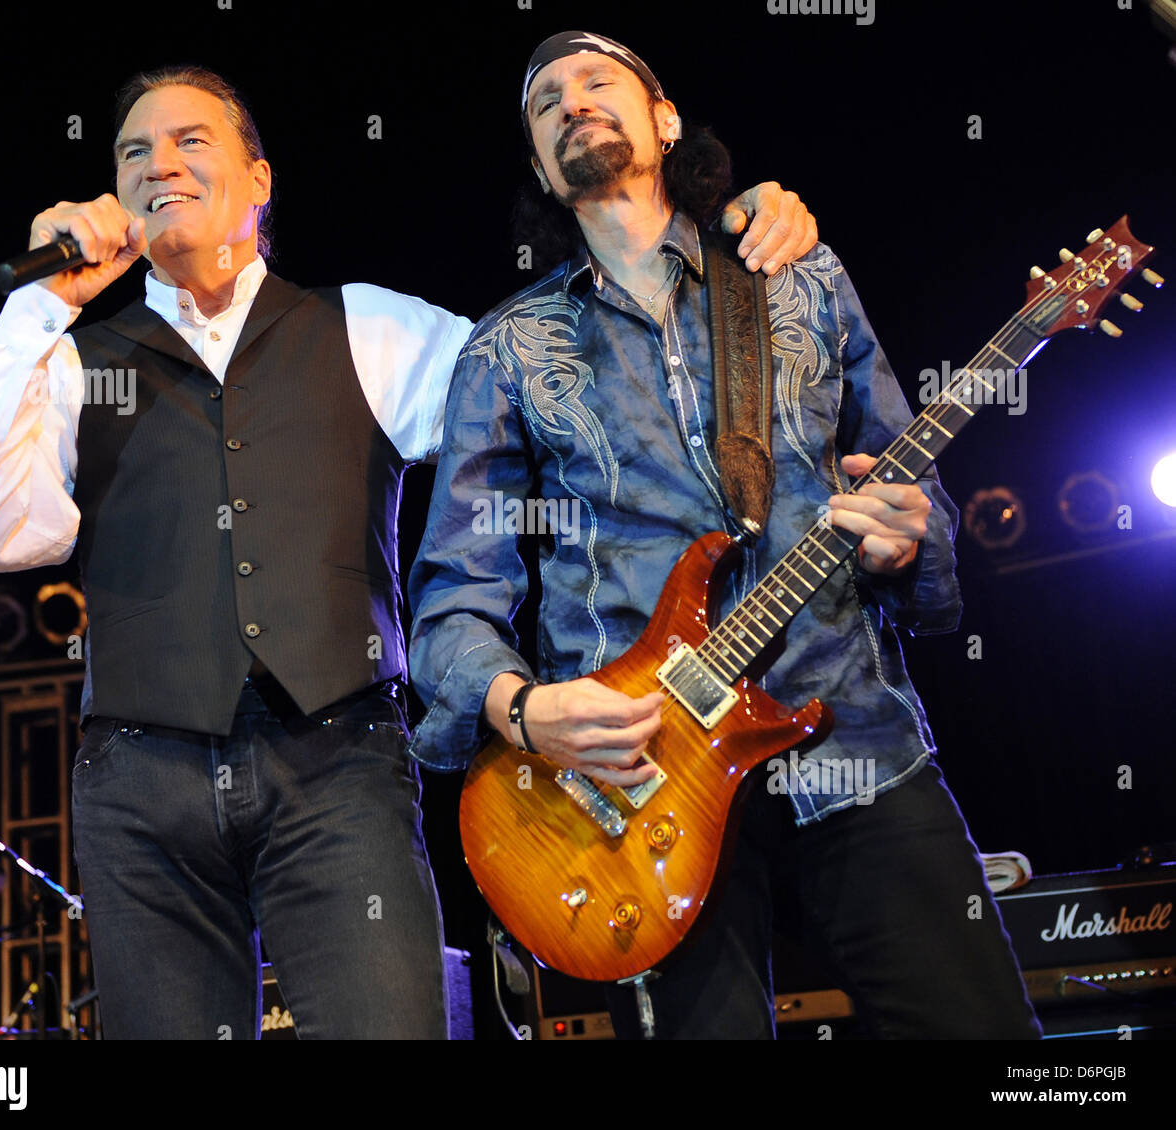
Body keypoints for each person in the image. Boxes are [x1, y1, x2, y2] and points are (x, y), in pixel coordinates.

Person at [0, 64, 815, 1039]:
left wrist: (713, 235)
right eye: (133, 152)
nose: (156, 164)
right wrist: (43, 307)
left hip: (338, 766)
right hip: (140, 785)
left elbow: (575, 410)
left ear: (258, 180)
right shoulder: (72, 365)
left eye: (188, 141)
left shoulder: (370, 328)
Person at [406, 30, 1042, 1039]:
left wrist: (905, 538)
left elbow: (905, 480)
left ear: (664, 121)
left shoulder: (798, 276)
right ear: (537, 163)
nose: (573, 101)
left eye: (599, 81)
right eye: (545, 102)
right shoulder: (507, 350)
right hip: (634, 781)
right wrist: (523, 710)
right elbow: (451, 600)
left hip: (853, 733)